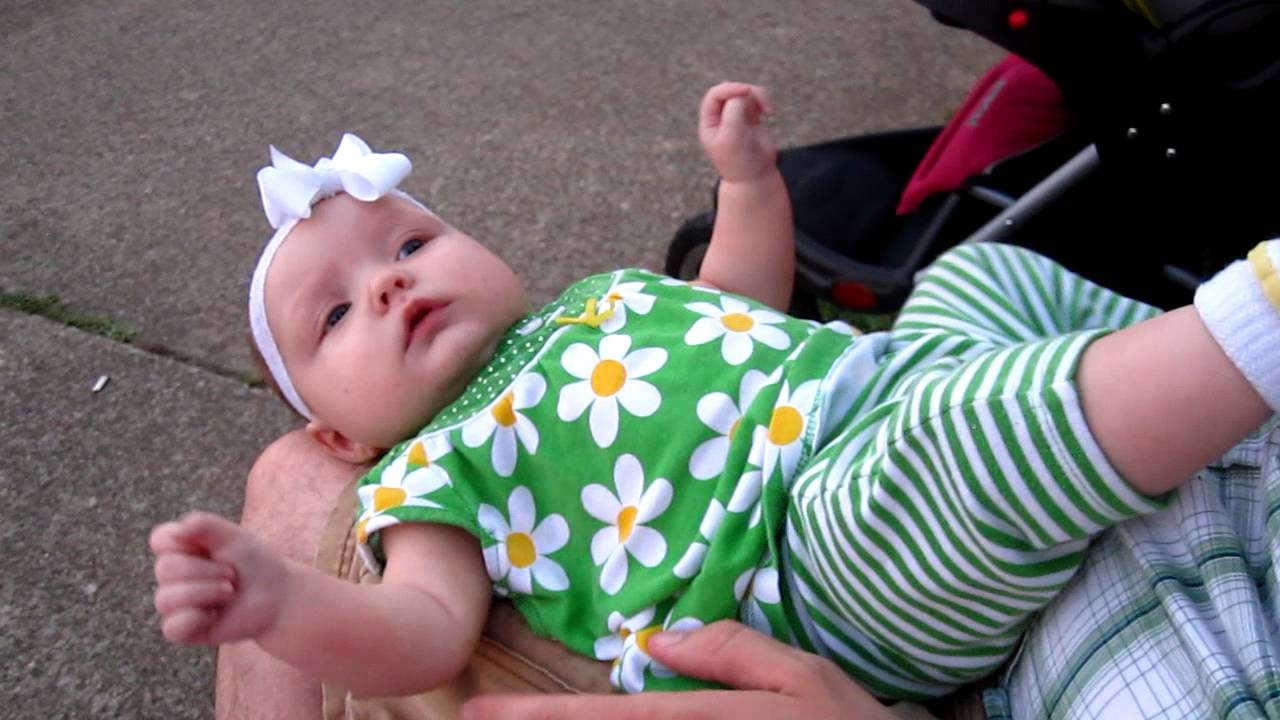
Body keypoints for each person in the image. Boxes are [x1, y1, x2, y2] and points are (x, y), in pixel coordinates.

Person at [153, 79, 1280, 716]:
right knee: (971, 447)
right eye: (336, 314)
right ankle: (1250, 328)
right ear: (335, 434)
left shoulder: (593, 306)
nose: (389, 277)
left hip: (863, 398)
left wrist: (745, 186)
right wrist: (283, 605)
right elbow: (419, 635)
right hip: (807, 565)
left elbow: (738, 302)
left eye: (408, 238)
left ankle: (1185, 393)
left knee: (976, 277)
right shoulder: (429, 470)